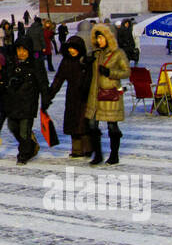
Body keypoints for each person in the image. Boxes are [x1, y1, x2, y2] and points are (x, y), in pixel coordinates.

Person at [0, 41, 42, 164]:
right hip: (11, 104)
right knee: (12, 127)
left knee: (24, 130)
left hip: (27, 104)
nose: (22, 53)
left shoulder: (34, 65)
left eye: (24, 50)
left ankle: (23, 154)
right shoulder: (10, 66)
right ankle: (29, 145)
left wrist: (46, 99)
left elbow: (41, 83)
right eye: (19, 50)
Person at [84, 23, 129, 165]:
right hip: (94, 95)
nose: (99, 41)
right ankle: (97, 155)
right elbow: (82, 62)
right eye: (97, 38)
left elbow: (126, 72)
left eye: (102, 38)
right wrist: (85, 61)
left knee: (112, 126)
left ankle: (114, 155)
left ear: (108, 38)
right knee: (92, 125)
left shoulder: (118, 53)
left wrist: (110, 73)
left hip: (110, 94)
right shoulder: (95, 53)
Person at [43, 35, 92, 160]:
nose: (71, 50)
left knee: (84, 122)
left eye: (74, 48)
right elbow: (58, 79)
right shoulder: (66, 61)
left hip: (86, 95)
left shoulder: (86, 61)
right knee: (73, 122)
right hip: (72, 95)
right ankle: (76, 150)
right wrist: (49, 95)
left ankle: (88, 148)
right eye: (70, 48)